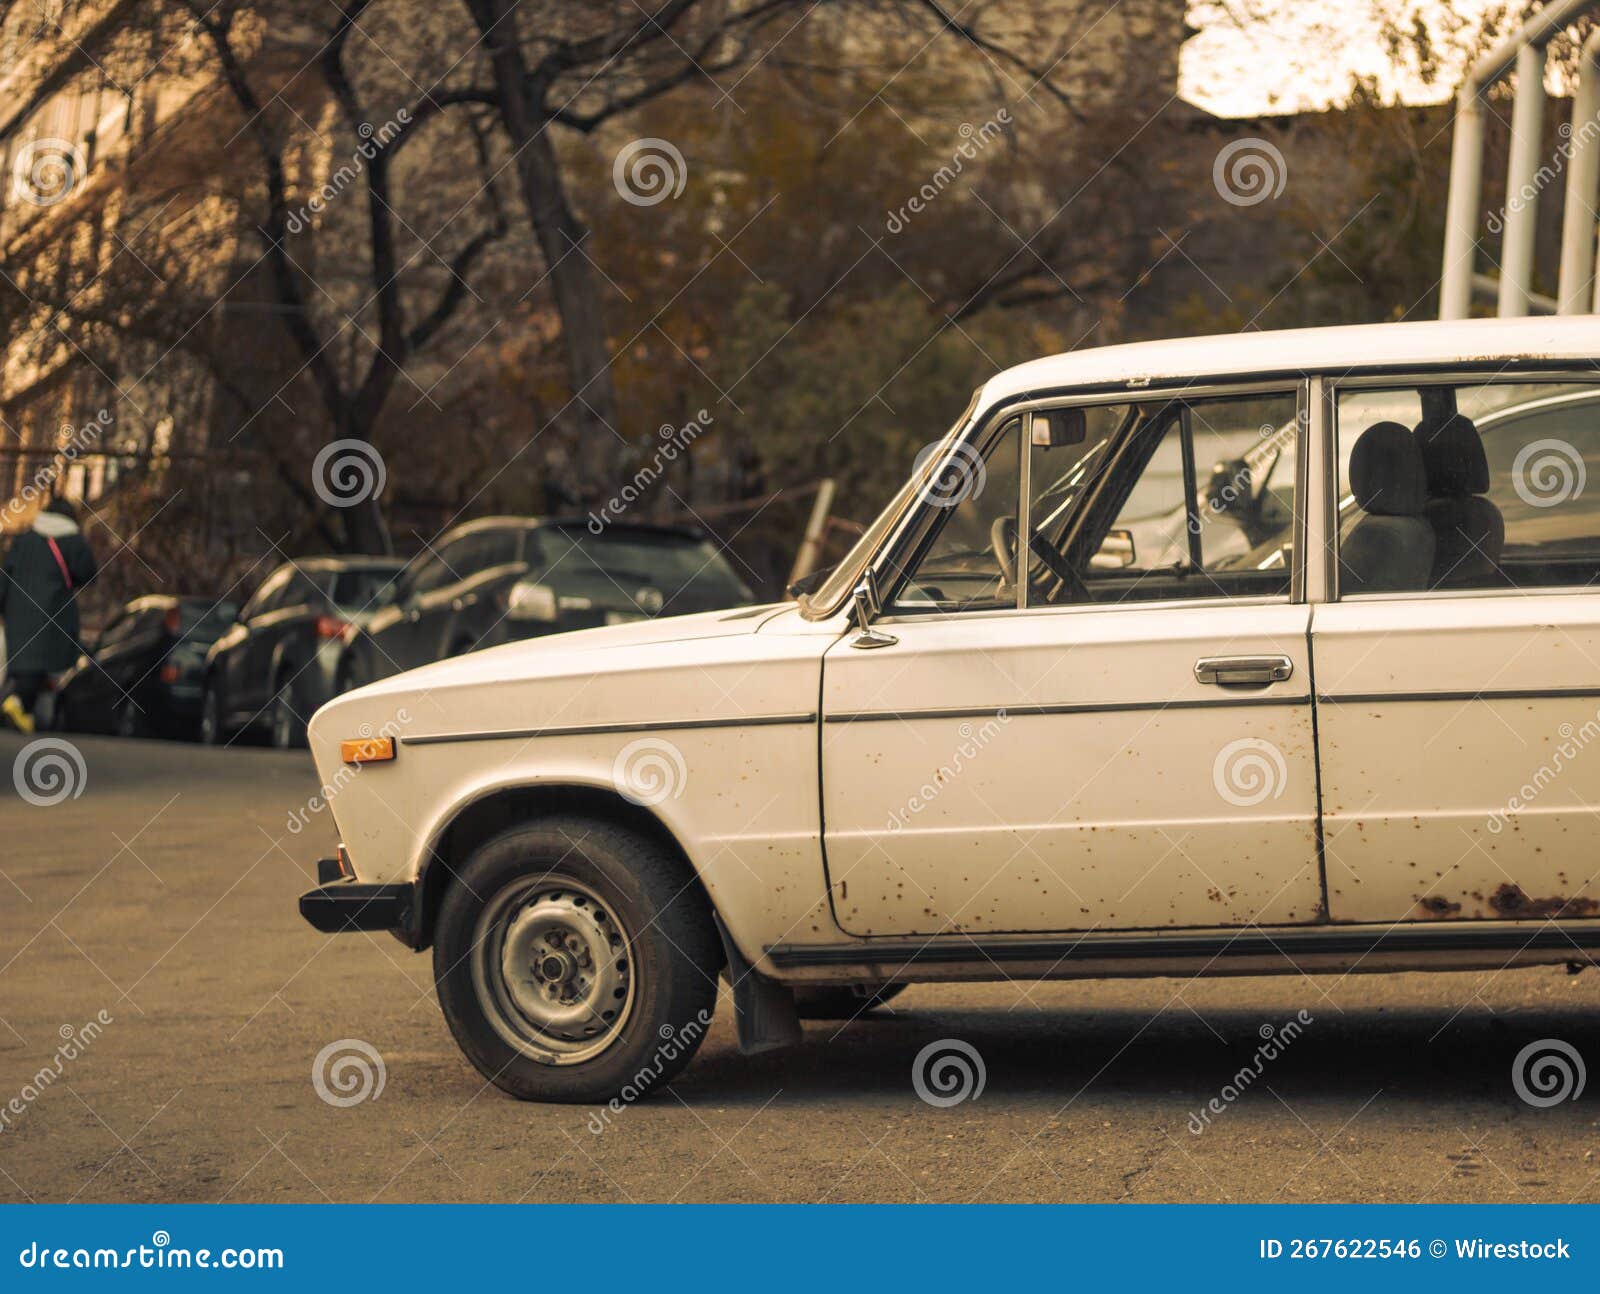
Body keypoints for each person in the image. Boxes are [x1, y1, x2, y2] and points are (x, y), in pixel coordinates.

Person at [0, 497, 98, 733]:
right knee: (46, 663)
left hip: (18, 613)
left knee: (25, 663)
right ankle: (18, 706)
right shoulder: (74, 541)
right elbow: (89, 575)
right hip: (54, 613)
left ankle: (20, 708)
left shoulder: (22, 540)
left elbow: (4, 579)